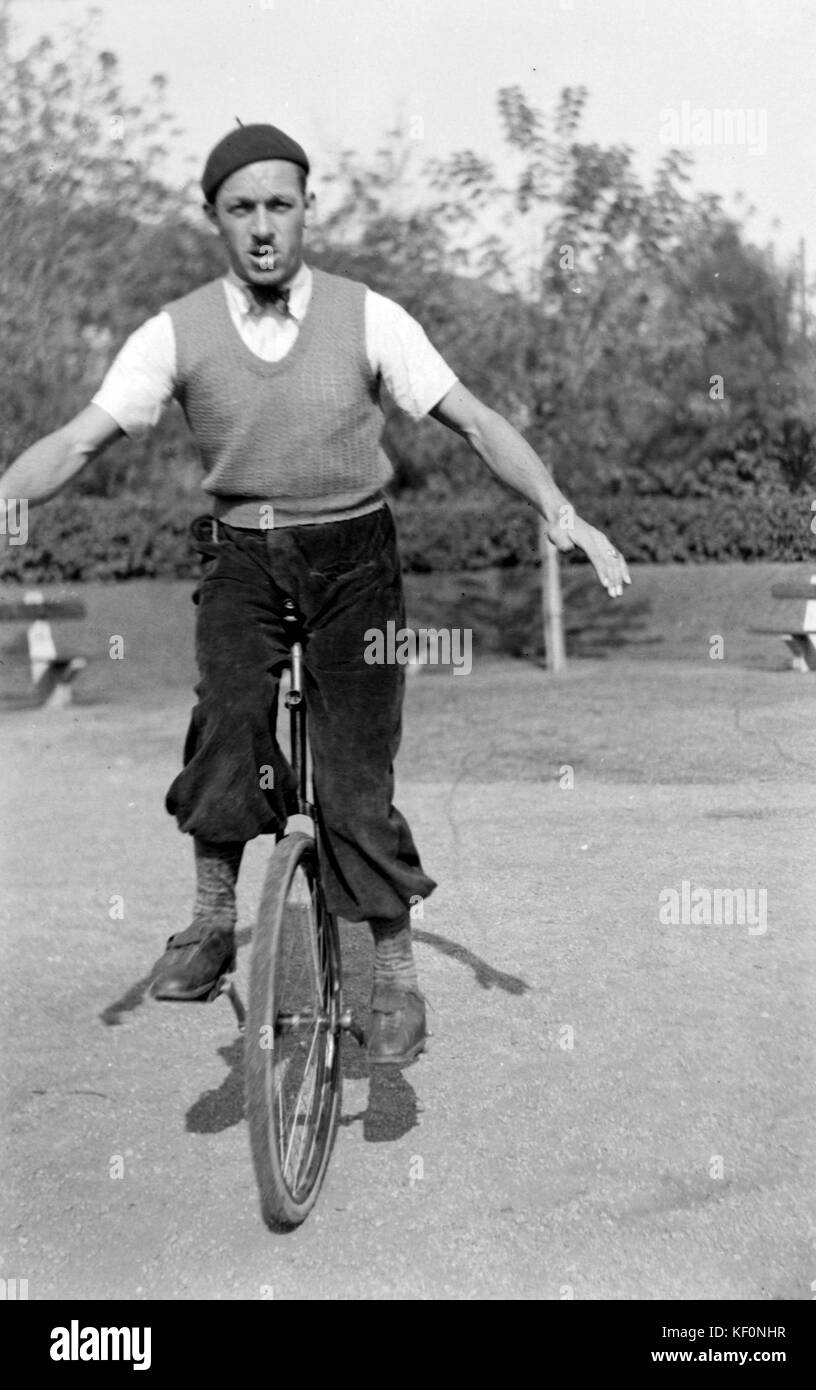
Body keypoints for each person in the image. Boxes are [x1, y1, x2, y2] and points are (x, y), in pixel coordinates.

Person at [0, 123, 630, 1066]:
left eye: (280, 205)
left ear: (306, 211)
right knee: (227, 720)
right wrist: (6, 499)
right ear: (213, 217)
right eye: (241, 208)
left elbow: (473, 420)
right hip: (242, 563)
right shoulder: (175, 332)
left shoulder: (369, 316)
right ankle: (212, 922)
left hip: (355, 566)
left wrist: (556, 505)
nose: (263, 228)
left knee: (353, 778)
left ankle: (396, 982)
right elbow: (80, 440)